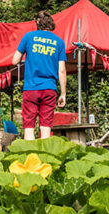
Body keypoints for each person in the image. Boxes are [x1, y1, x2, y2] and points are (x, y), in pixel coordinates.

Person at [11, 10, 67, 140]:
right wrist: (63, 93)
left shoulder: (28, 37)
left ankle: (30, 152)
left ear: (37, 22)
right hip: (49, 89)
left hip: (31, 88)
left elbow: (14, 61)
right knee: (46, 128)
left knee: (29, 127)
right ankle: (45, 152)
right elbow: (62, 70)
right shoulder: (59, 42)